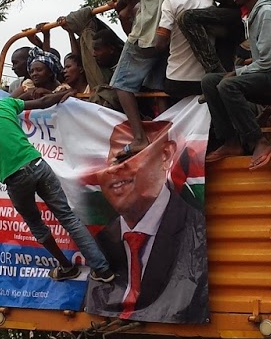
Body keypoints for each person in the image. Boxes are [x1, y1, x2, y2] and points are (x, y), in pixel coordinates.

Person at [0, 83, 114, 284]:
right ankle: (103, 270)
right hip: (38, 164)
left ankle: (67, 267)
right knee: (68, 218)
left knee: (37, 226)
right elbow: (43, 102)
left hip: (16, 178)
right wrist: (68, 92)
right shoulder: (5, 105)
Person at [82, 120, 208, 322]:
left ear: (165, 156)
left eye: (128, 157)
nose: (114, 169)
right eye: (111, 161)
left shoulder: (197, 232)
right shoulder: (100, 242)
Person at [109, 0, 193, 157]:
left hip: (148, 29)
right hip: (178, 32)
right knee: (160, 88)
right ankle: (167, 134)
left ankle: (139, 138)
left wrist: (122, 6)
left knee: (122, 84)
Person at [202, 0, 271, 170]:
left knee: (228, 85)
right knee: (209, 81)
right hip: (265, 71)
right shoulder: (253, 13)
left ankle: (258, 141)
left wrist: (237, 72)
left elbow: (268, 62)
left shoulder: (267, 13)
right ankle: (231, 141)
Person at [151, 0, 214, 103]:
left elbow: (160, 44)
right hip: (204, 80)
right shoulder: (209, 1)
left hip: (177, 81)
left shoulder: (172, 2)